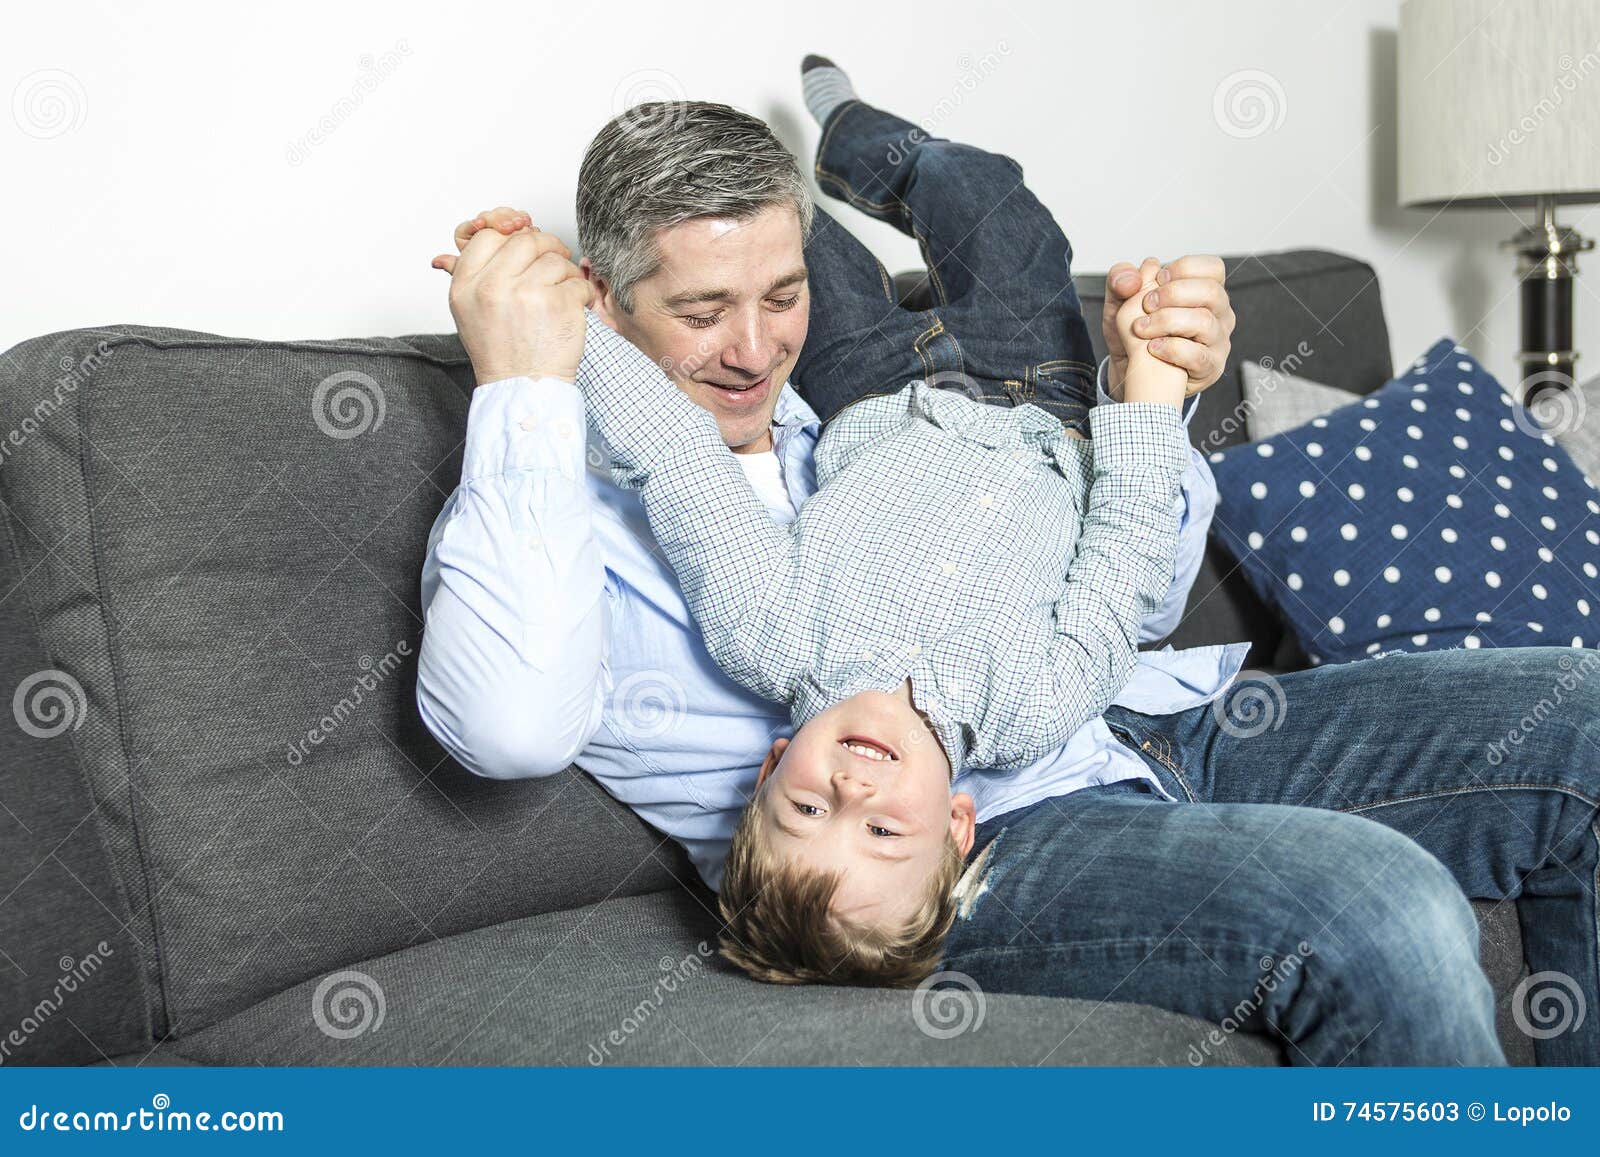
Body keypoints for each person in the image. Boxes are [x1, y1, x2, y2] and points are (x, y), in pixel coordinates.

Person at [418, 59, 1599, 1065]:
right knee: (1371, 910)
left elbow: (1127, 585)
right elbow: (512, 723)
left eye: (781, 297)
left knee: (1583, 714)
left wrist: (1155, 395)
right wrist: (529, 379)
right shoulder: (547, 494)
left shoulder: (826, 401)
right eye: (700, 312)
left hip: (1149, 720)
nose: (756, 348)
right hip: (951, 865)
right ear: (603, 308)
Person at [561, 235, 1185, 981]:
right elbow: (1129, 556)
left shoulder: (770, 633)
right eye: (883, 828)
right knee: (1010, 227)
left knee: (792, 229)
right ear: (957, 826)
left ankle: (838, 136)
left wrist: (565, 316)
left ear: (771, 769)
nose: (851, 790)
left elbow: (677, 461)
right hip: (1064, 413)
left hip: (887, 391)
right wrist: (1151, 389)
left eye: (810, 811)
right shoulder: (1034, 708)